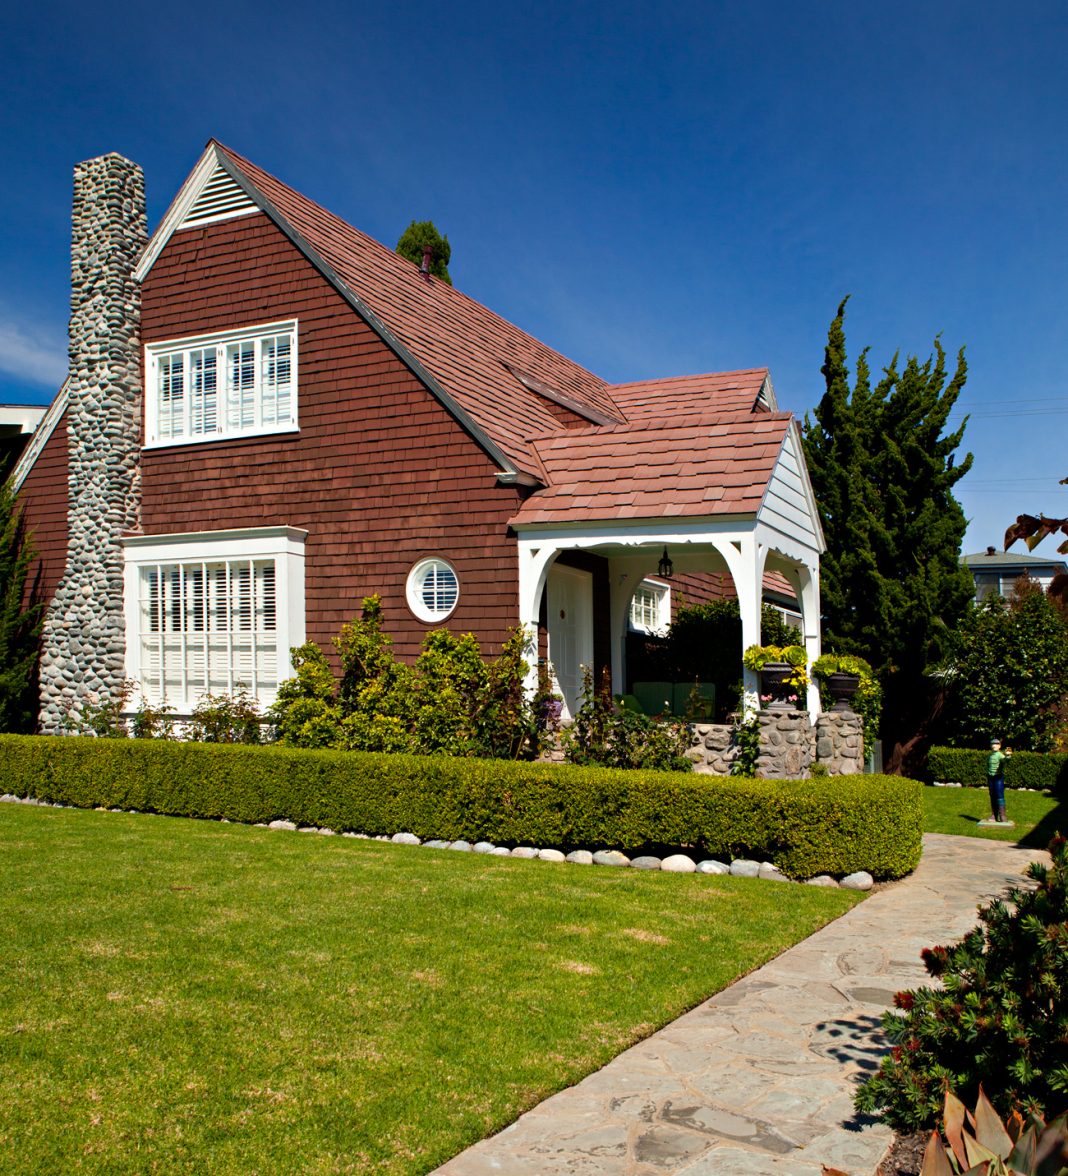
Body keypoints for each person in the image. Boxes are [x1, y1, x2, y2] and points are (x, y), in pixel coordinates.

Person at [986, 738, 1012, 823]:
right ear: (990, 746)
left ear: (999, 746)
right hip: (991, 778)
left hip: (998, 778)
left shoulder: (1000, 755)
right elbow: (987, 765)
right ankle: (994, 815)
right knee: (992, 795)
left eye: (996, 744)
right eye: (992, 744)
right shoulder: (989, 756)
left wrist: (1008, 756)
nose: (994, 745)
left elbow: (1005, 761)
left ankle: (1002, 815)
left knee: (999, 795)